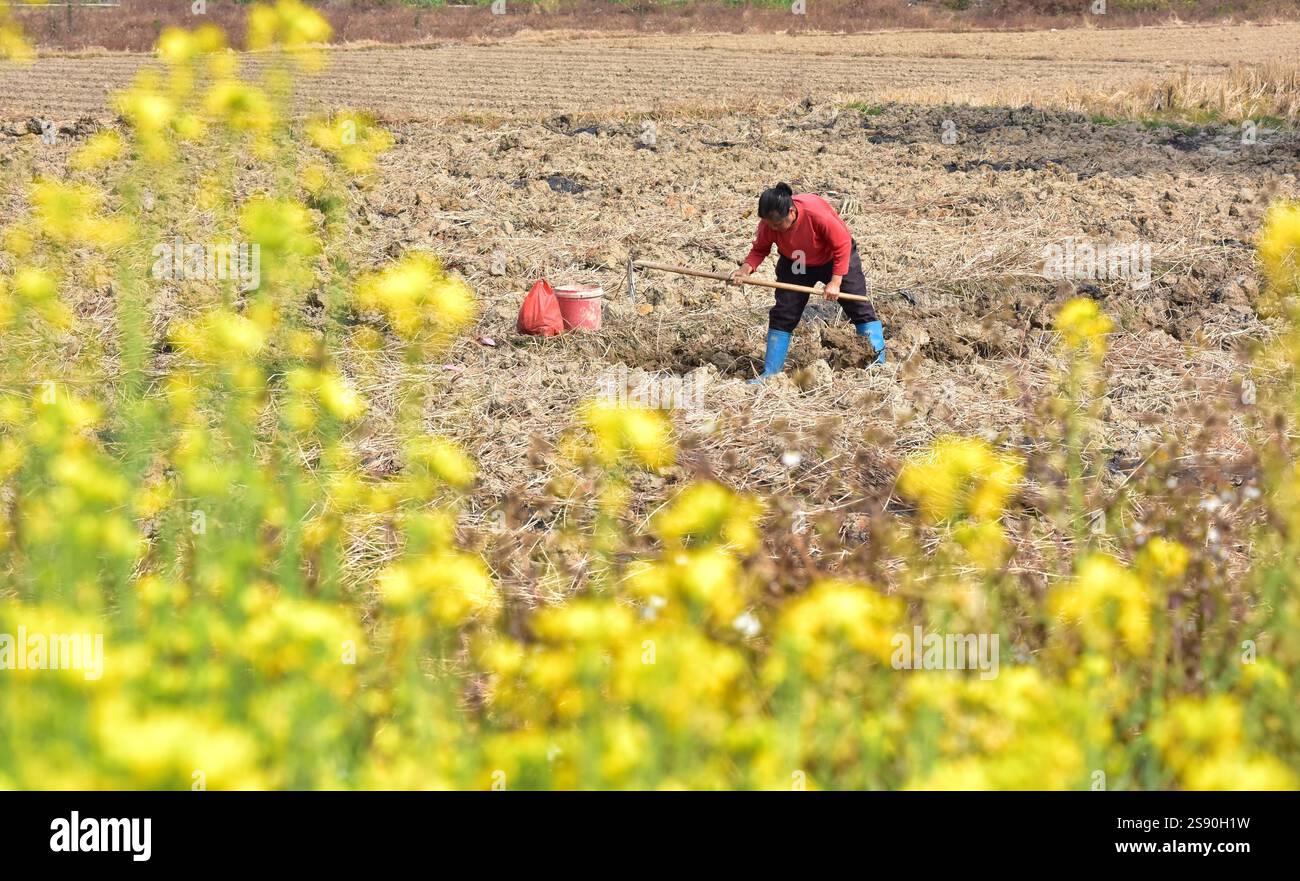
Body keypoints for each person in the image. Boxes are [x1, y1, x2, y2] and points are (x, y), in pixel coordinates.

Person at [730, 183, 885, 383]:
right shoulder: (769, 223)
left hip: (834, 258)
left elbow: (843, 244)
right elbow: (760, 249)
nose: (773, 229)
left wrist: (835, 282)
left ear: (792, 212)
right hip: (797, 259)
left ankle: (878, 364)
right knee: (785, 311)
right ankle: (770, 374)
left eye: (777, 224)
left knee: (858, 306)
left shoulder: (815, 214)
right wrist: (744, 271)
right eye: (769, 224)